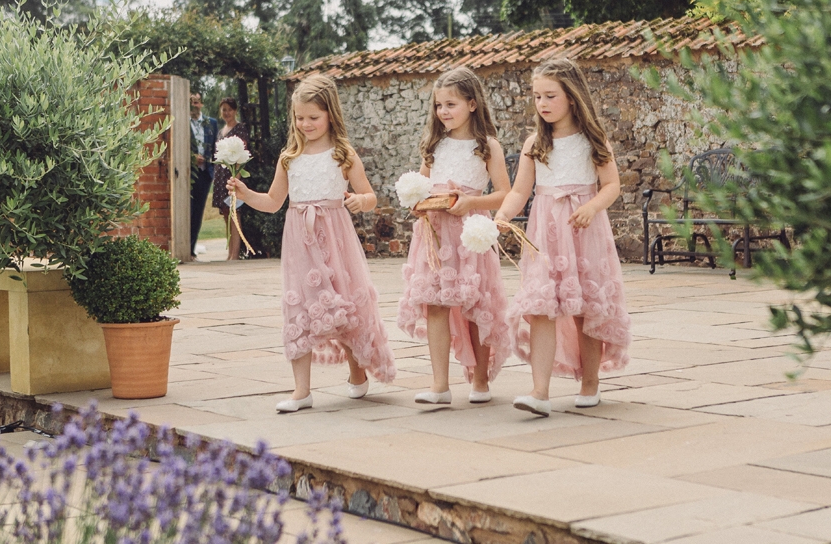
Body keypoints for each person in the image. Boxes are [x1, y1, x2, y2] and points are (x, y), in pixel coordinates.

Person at [229, 73, 396, 413]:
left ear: (330, 115)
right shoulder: (289, 157)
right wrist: (246, 194)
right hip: (300, 243)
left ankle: (357, 372)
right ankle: (301, 390)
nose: (305, 124)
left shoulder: (343, 154)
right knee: (300, 308)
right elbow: (273, 202)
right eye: (299, 118)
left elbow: (370, 196)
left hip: (335, 240)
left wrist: (359, 201)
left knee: (344, 306)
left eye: (313, 117)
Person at [495, 58, 631, 416]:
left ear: (571, 96)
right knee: (541, 306)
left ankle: (590, 382)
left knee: (585, 307)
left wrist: (593, 206)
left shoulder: (592, 140)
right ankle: (539, 391)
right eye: (537, 96)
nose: (542, 103)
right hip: (546, 235)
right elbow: (520, 191)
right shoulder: (535, 143)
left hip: (584, 232)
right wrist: (504, 214)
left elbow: (612, 184)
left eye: (550, 96)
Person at [397, 67, 512, 405]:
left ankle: (480, 380)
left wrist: (471, 202)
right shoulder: (435, 145)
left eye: (451, 104)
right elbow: (421, 184)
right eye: (439, 105)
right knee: (434, 304)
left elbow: (504, 193)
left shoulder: (486, 146)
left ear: (472, 104)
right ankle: (439, 385)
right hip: (434, 233)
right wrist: (416, 203)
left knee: (473, 303)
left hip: (469, 233)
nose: (443, 112)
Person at [211, 96, 251, 260]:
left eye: (229, 109)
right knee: (226, 213)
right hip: (221, 176)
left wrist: (236, 180)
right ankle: (229, 254)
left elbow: (242, 155)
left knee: (235, 213)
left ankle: (235, 254)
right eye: (224, 110)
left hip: (233, 176)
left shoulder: (240, 129)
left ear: (235, 111)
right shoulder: (221, 131)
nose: (226, 113)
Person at [188, 92, 220, 259]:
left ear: (201, 104)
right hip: (188, 174)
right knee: (188, 209)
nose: (194, 105)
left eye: (196, 102)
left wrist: (212, 165)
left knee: (198, 212)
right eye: (191, 102)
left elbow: (215, 147)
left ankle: (191, 249)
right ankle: (185, 248)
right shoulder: (183, 122)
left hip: (205, 173)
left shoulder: (211, 123)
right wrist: (190, 158)